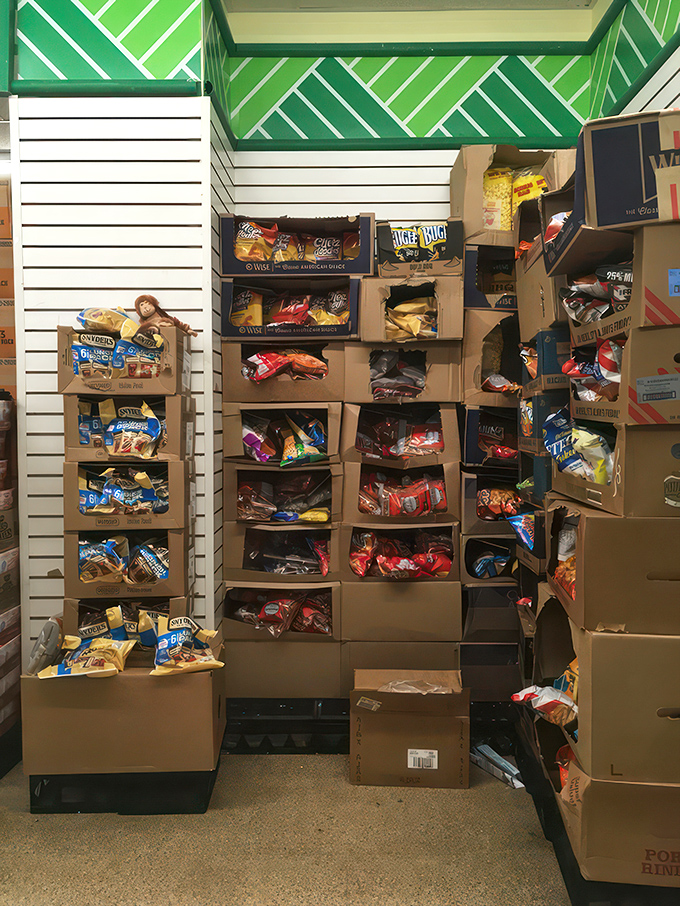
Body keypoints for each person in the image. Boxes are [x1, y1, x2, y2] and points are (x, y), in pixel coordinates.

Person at [134, 294, 198, 337]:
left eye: (148, 303)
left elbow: (178, 324)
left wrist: (187, 330)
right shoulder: (145, 325)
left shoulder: (166, 318)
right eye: (142, 305)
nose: (145, 307)